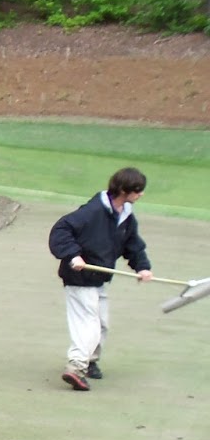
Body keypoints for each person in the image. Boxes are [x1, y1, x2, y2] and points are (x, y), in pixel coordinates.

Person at [48, 168, 154, 391]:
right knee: (88, 323)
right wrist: (73, 255)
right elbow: (61, 230)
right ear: (124, 190)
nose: (141, 194)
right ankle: (76, 367)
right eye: (138, 190)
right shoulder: (92, 211)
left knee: (102, 323)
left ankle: (90, 361)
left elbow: (132, 244)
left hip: (99, 276)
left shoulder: (125, 214)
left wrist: (142, 267)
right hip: (79, 275)